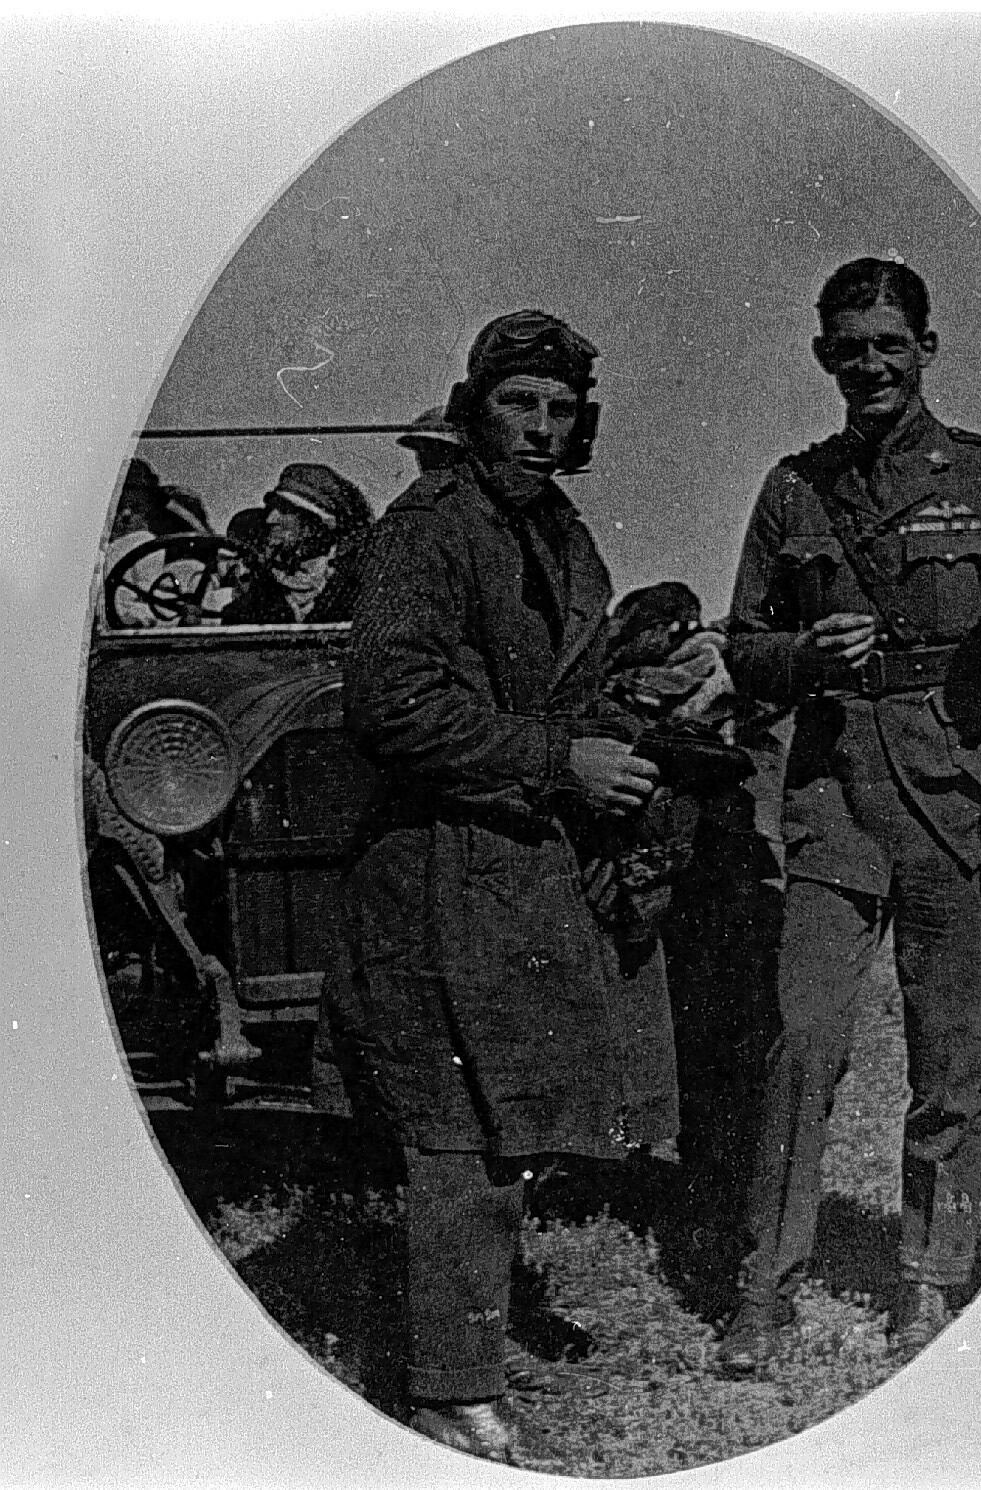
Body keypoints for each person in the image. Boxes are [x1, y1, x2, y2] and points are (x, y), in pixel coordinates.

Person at [319, 310, 679, 1464]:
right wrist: (555, 759)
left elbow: (566, 681)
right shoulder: (428, 531)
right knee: (458, 1129)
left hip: (516, 867)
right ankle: (447, 1390)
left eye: (560, 409)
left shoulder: (553, 531)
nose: (539, 427)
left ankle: (468, 1349)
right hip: (434, 869)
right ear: (475, 410)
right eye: (517, 404)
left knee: (508, 1119)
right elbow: (392, 704)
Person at [717, 257, 981, 1373]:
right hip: (833, 795)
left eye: (890, 343)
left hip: (953, 797)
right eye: (849, 346)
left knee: (949, 1048)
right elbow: (740, 648)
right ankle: (764, 1286)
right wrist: (799, 651)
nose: (870, 364)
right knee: (803, 1040)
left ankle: (931, 1275)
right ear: (824, 356)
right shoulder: (792, 488)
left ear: (925, 348)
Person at [220, 462, 374, 624]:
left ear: (316, 523)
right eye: (271, 508)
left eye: (285, 510)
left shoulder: (360, 593)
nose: (270, 519)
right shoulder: (248, 607)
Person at [99, 457, 214, 627]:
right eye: (118, 506)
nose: (126, 514)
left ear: (151, 506)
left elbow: (208, 543)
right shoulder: (109, 548)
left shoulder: (183, 557)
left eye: (137, 506)